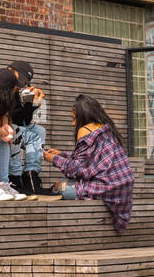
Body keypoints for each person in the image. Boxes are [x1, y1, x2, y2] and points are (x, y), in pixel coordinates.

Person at [43, 94, 134, 231]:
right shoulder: (105, 129)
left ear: (83, 117)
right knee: (65, 182)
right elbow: (89, 160)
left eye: (74, 119)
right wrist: (62, 154)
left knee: (59, 187)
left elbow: (78, 169)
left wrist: (54, 159)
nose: (73, 124)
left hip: (105, 189)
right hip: (122, 190)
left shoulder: (84, 130)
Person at [0, 62, 53, 197]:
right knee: (14, 130)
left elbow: (21, 121)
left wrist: (32, 105)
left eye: (22, 83)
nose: (18, 85)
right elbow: (3, 116)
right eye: (18, 80)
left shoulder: (13, 90)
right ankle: (14, 179)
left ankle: (31, 179)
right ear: (9, 70)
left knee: (39, 131)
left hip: (3, 125)